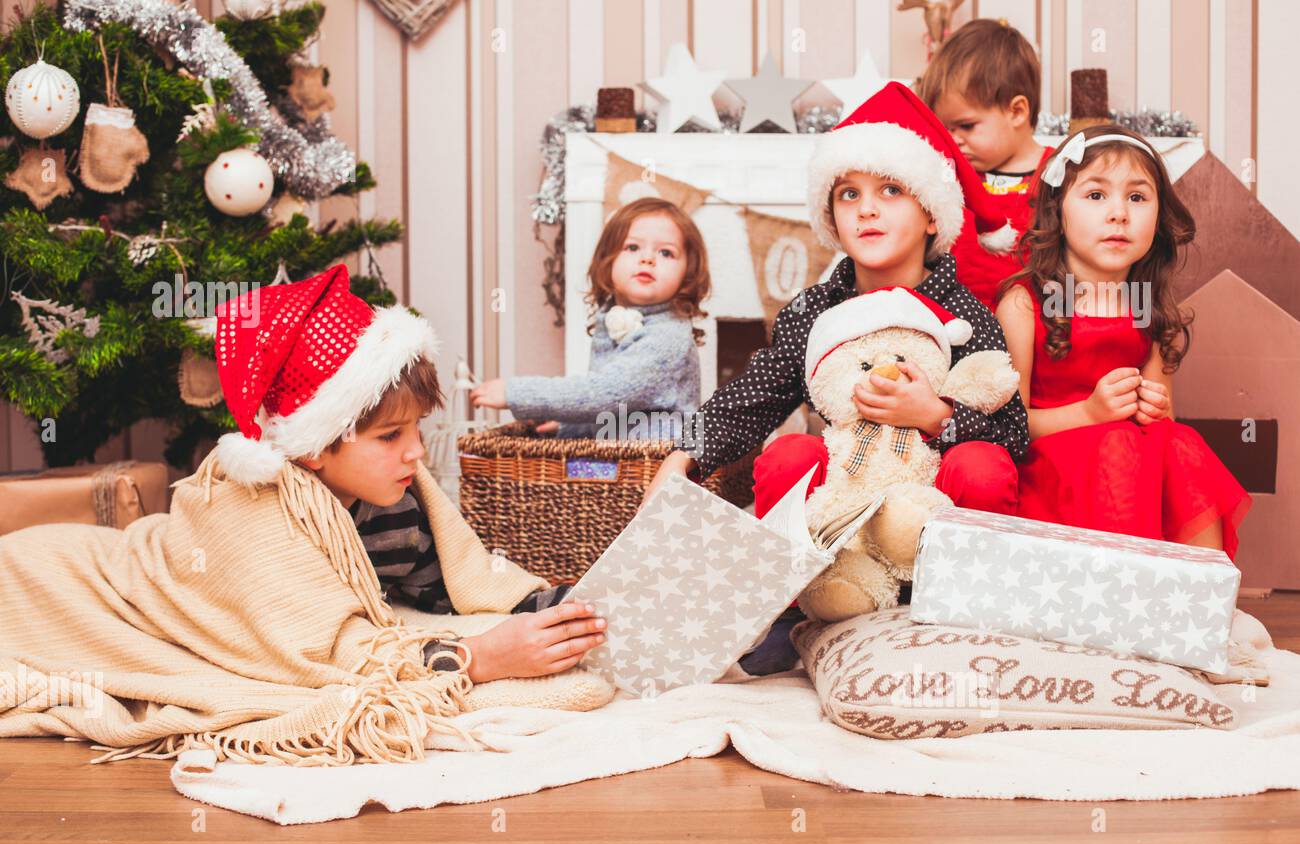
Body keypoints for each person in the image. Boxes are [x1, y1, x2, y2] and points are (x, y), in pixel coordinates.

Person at [0, 264, 609, 765]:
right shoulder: (250, 508)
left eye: (417, 428)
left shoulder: (395, 502)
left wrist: (568, 612)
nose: (417, 452)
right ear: (315, 443)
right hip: (60, 581)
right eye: (390, 435)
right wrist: (482, 658)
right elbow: (323, 655)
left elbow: (454, 590)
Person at [642, 83, 1031, 673]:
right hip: (846, 504)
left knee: (983, 465)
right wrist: (684, 457)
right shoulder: (816, 311)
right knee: (789, 454)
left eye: (891, 190)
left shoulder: (967, 314)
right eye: (849, 194)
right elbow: (755, 394)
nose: (867, 209)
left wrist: (934, 416)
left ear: (931, 214)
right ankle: (796, 604)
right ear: (831, 215)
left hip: (926, 511)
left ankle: (960, 611)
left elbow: (1015, 435)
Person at [996, 126, 1252, 557]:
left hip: (1132, 471)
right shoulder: (1026, 304)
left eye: (1137, 197)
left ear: (1159, 216)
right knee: (1116, 445)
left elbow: (1160, 419)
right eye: (1096, 196)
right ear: (1058, 211)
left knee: (1183, 445)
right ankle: (1118, 596)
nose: (1119, 213)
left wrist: (1156, 408)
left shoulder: (1146, 307)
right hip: (1052, 479)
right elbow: (1008, 426)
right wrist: (1089, 413)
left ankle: (1201, 593)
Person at [469, 197, 708, 441]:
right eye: (633, 247)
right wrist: (571, 427)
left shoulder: (668, 337)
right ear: (608, 261)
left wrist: (516, 393)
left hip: (660, 465)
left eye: (666, 252)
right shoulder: (614, 318)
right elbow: (621, 412)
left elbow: (609, 392)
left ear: (687, 275)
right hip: (624, 461)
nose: (648, 258)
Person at [917, 17, 1055, 310]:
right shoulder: (947, 176)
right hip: (957, 330)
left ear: (1016, 112)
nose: (953, 141)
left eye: (966, 126)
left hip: (1036, 332)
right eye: (945, 129)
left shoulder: (1060, 175)